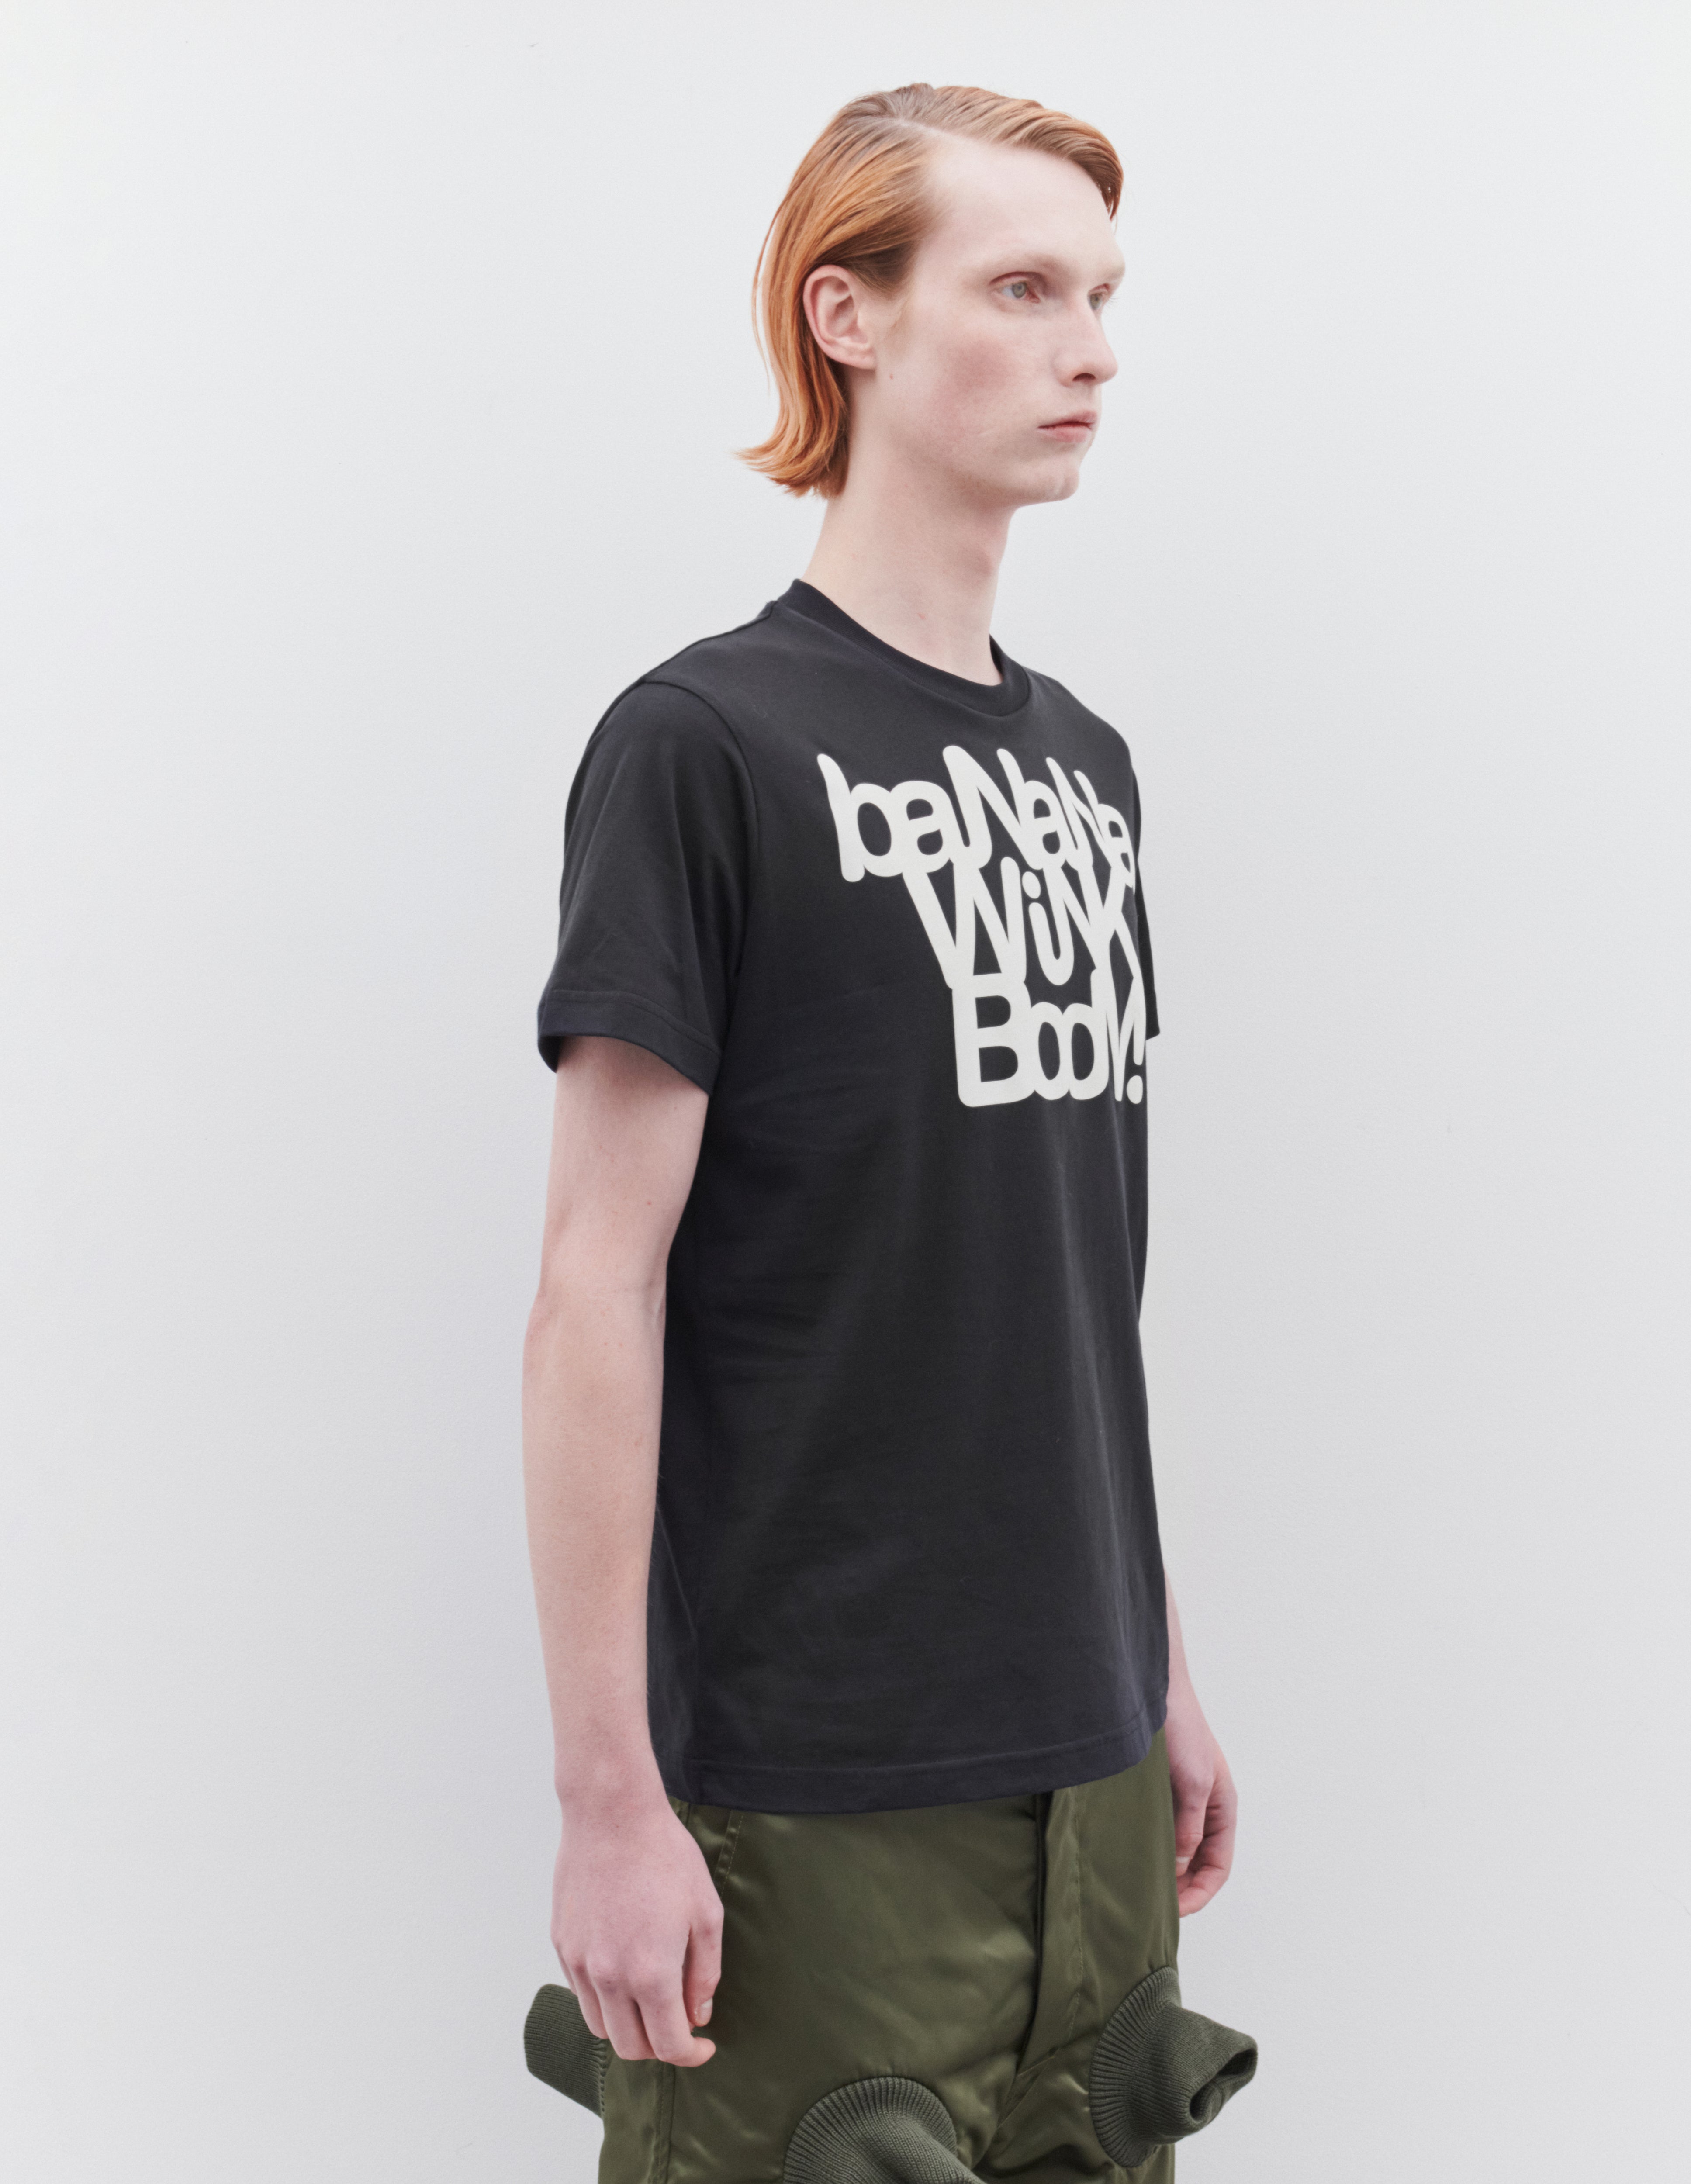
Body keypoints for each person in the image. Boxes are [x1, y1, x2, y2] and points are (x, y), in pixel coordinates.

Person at [522, 83, 1254, 2184]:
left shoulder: (1088, 768)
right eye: (1020, 289)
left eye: (1100, 295)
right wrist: (607, 1794)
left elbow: (1056, 1274)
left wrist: (1158, 1667)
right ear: (844, 316)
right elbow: (596, 1285)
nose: (1089, 347)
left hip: (1093, 1777)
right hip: (816, 1786)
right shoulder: (704, 745)